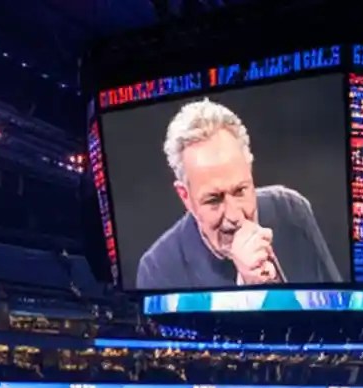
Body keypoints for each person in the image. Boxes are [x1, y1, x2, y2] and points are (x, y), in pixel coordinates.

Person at [136, 99, 342, 290]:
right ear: (185, 197)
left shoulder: (292, 211)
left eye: (240, 191)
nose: (234, 216)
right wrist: (249, 288)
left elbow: (342, 311)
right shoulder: (158, 271)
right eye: (214, 199)